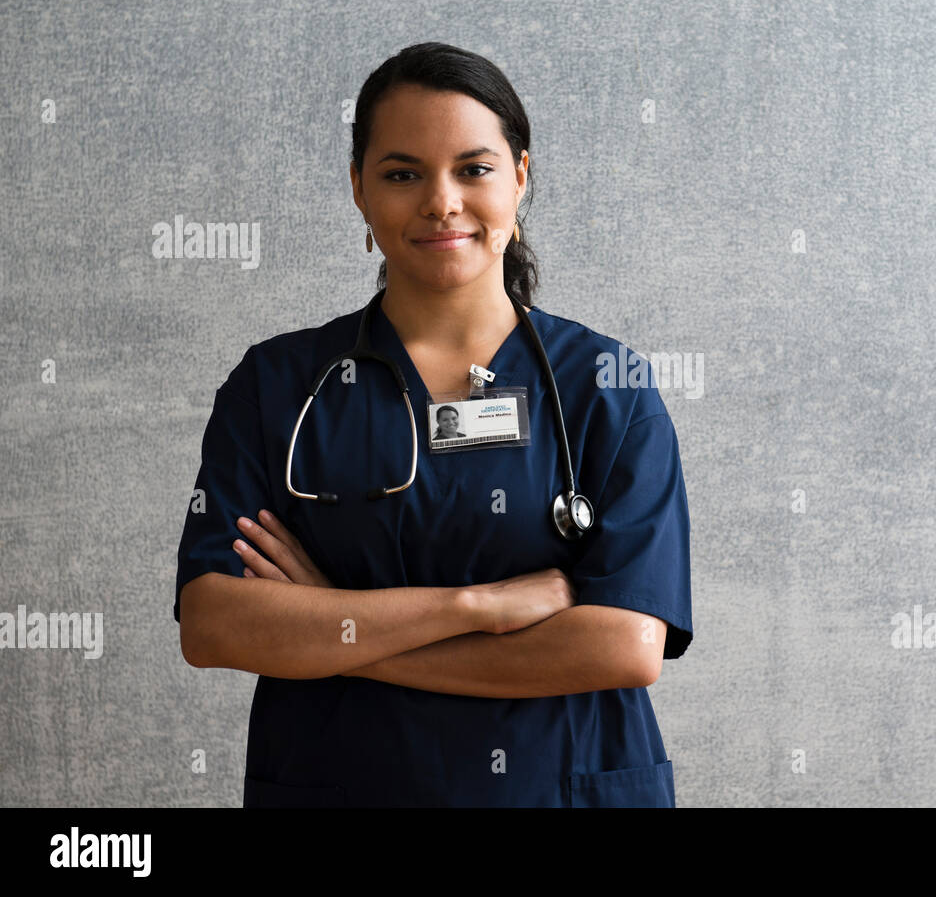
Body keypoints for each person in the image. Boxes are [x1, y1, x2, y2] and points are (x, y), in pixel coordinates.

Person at [173, 43, 693, 807]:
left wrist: (342, 638)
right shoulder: (278, 386)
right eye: (402, 173)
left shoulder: (607, 388)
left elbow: (624, 644)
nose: (441, 201)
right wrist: (473, 607)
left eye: (474, 169)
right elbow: (214, 623)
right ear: (358, 188)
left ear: (520, 177)